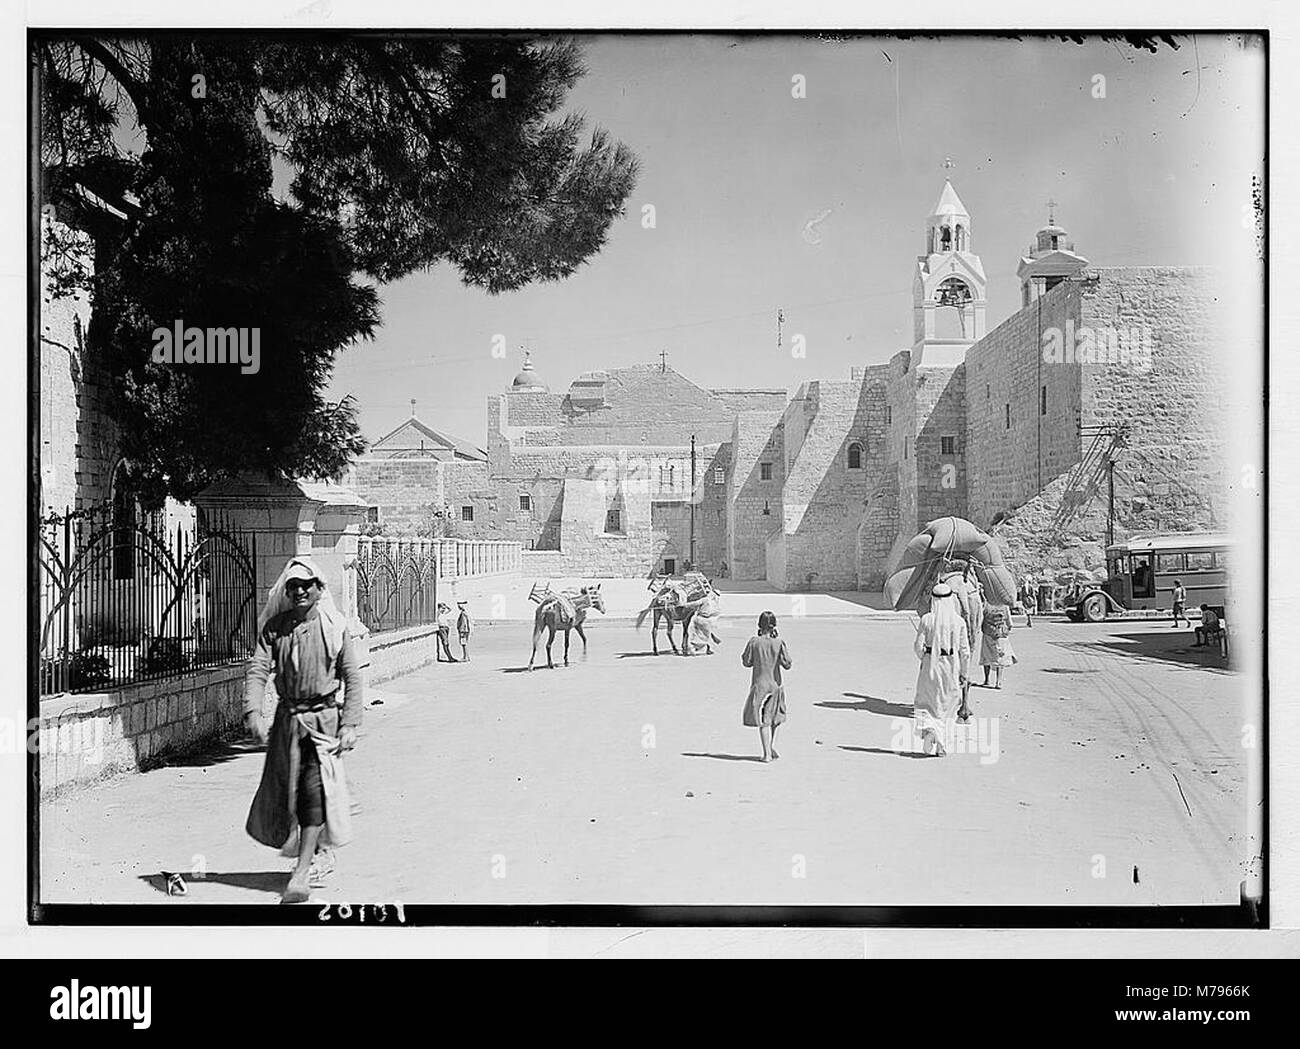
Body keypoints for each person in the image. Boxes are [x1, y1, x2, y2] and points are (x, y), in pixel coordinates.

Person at [243, 557, 362, 904]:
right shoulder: (275, 629)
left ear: (319, 589)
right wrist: (253, 710)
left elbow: (351, 676)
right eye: (293, 586)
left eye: (306, 585)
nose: (299, 591)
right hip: (288, 725)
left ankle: (301, 872)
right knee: (289, 794)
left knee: (314, 792)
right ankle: (317, 851)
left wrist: (350, 723)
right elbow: (259, 668)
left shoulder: (334, 628)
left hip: (323, 723)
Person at [912, 583, 971, 757]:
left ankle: (931, 730)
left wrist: (924, 657)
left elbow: (917, 646)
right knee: (948, 704)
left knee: (927, 700)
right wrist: (964, 673)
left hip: (930, 665)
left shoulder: (926, 619)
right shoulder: (959, 622)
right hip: (950, 666)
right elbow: (965, 651)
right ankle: (942, 743)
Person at [741, 611, 792, 763]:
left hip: (760, 686)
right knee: (774, 718)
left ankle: (767, 754)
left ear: (759, 625)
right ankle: (771, 746)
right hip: (776, 685)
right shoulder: (779, 643)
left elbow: (746, 662)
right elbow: (787, 663)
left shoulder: (754, 642)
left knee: (763, 721)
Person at [980, 603, 1018, 689]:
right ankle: (998, 681)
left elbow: (981, 618)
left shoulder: (986, 605)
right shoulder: (1004, 606)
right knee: (1000, 657)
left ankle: (987, 680)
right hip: (1001, 633)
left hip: (988, 633)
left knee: (986, 656)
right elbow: (1009, 622)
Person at [684, 584, 723, 655]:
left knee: (700, 636)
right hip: (710, 621)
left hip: (702, 619)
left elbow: (695, 603)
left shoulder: (706, 600)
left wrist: (685, 605)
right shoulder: (715, 602)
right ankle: (709, 648)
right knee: (705, 635)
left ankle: (694, 647)